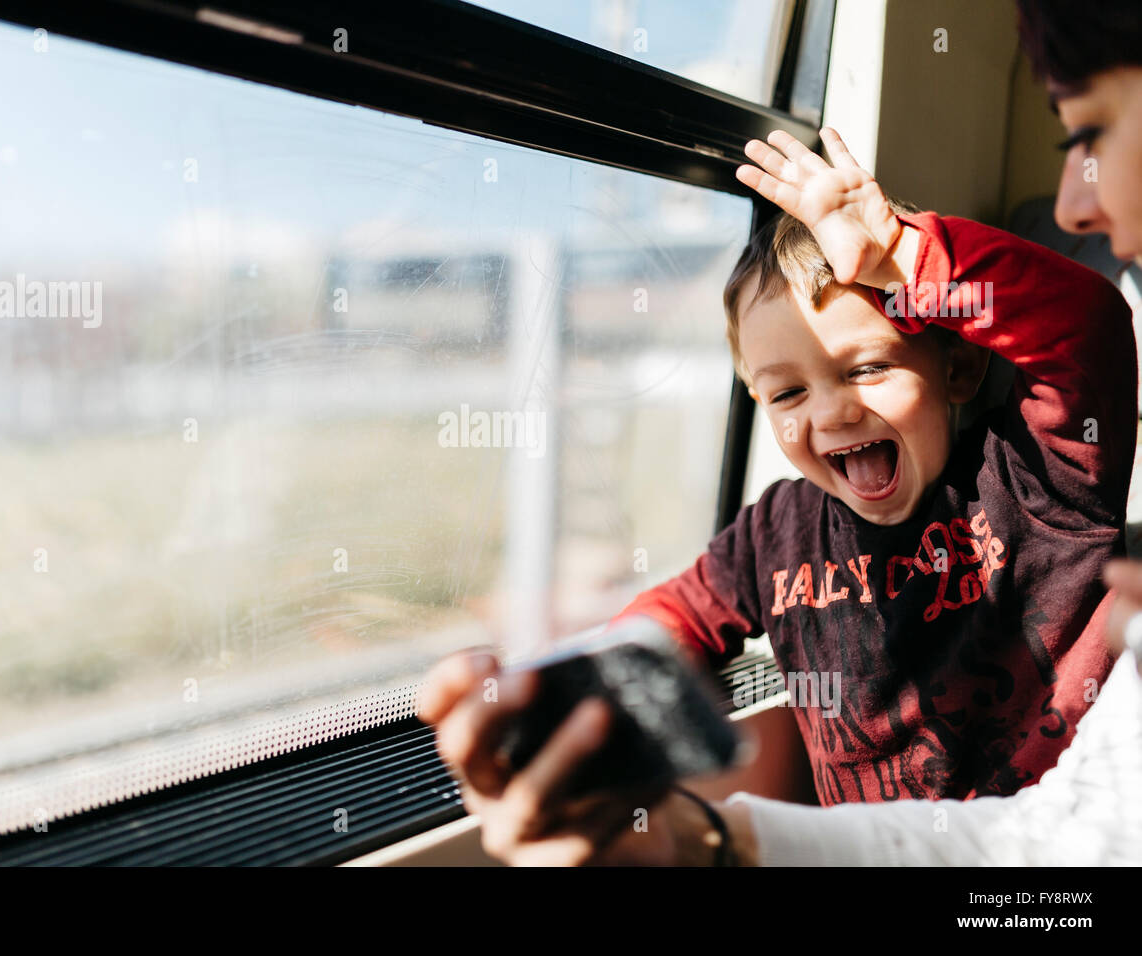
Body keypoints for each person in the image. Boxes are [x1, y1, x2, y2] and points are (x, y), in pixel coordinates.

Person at [416, 0, 1142, 866]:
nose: (830, 413)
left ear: (957, 370)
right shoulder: (776, 534)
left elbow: (1088, 325)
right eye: (785, 392)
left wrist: (896, 258)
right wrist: (594, 685)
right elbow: (679, 613)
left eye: (868, 370)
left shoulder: (1032, 479)